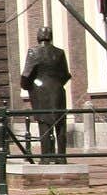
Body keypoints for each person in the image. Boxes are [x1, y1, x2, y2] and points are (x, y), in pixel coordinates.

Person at [20, 27, 72, 162]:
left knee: (44, 123)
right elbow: (66, 74)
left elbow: (26, 75)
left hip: (40, 92)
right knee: (60, 123)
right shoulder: (60, 53)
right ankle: (62, 157)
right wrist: (57, 84)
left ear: (38, 37)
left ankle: (46, 157)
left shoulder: (33, 52)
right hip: (58, 90)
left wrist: (27, 86)